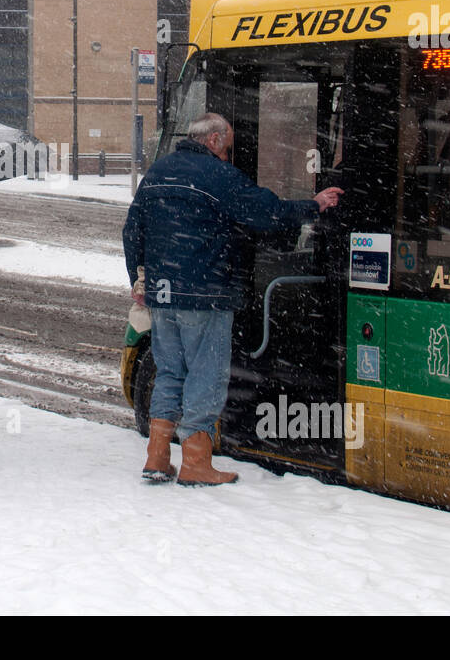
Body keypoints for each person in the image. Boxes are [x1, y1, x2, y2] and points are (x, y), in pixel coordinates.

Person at [122, 112, 342, 487]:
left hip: (161, 295)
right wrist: (313, 205)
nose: (229, 152)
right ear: (214, 140)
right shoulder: (217, 174)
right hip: (204, 296)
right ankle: (195, 462)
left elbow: (132, 231)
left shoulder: (158, 172)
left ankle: (158, 456)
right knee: (206, 376)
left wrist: (140, 279)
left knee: (171, 373)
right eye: (228, 144)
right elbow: (265, 211)